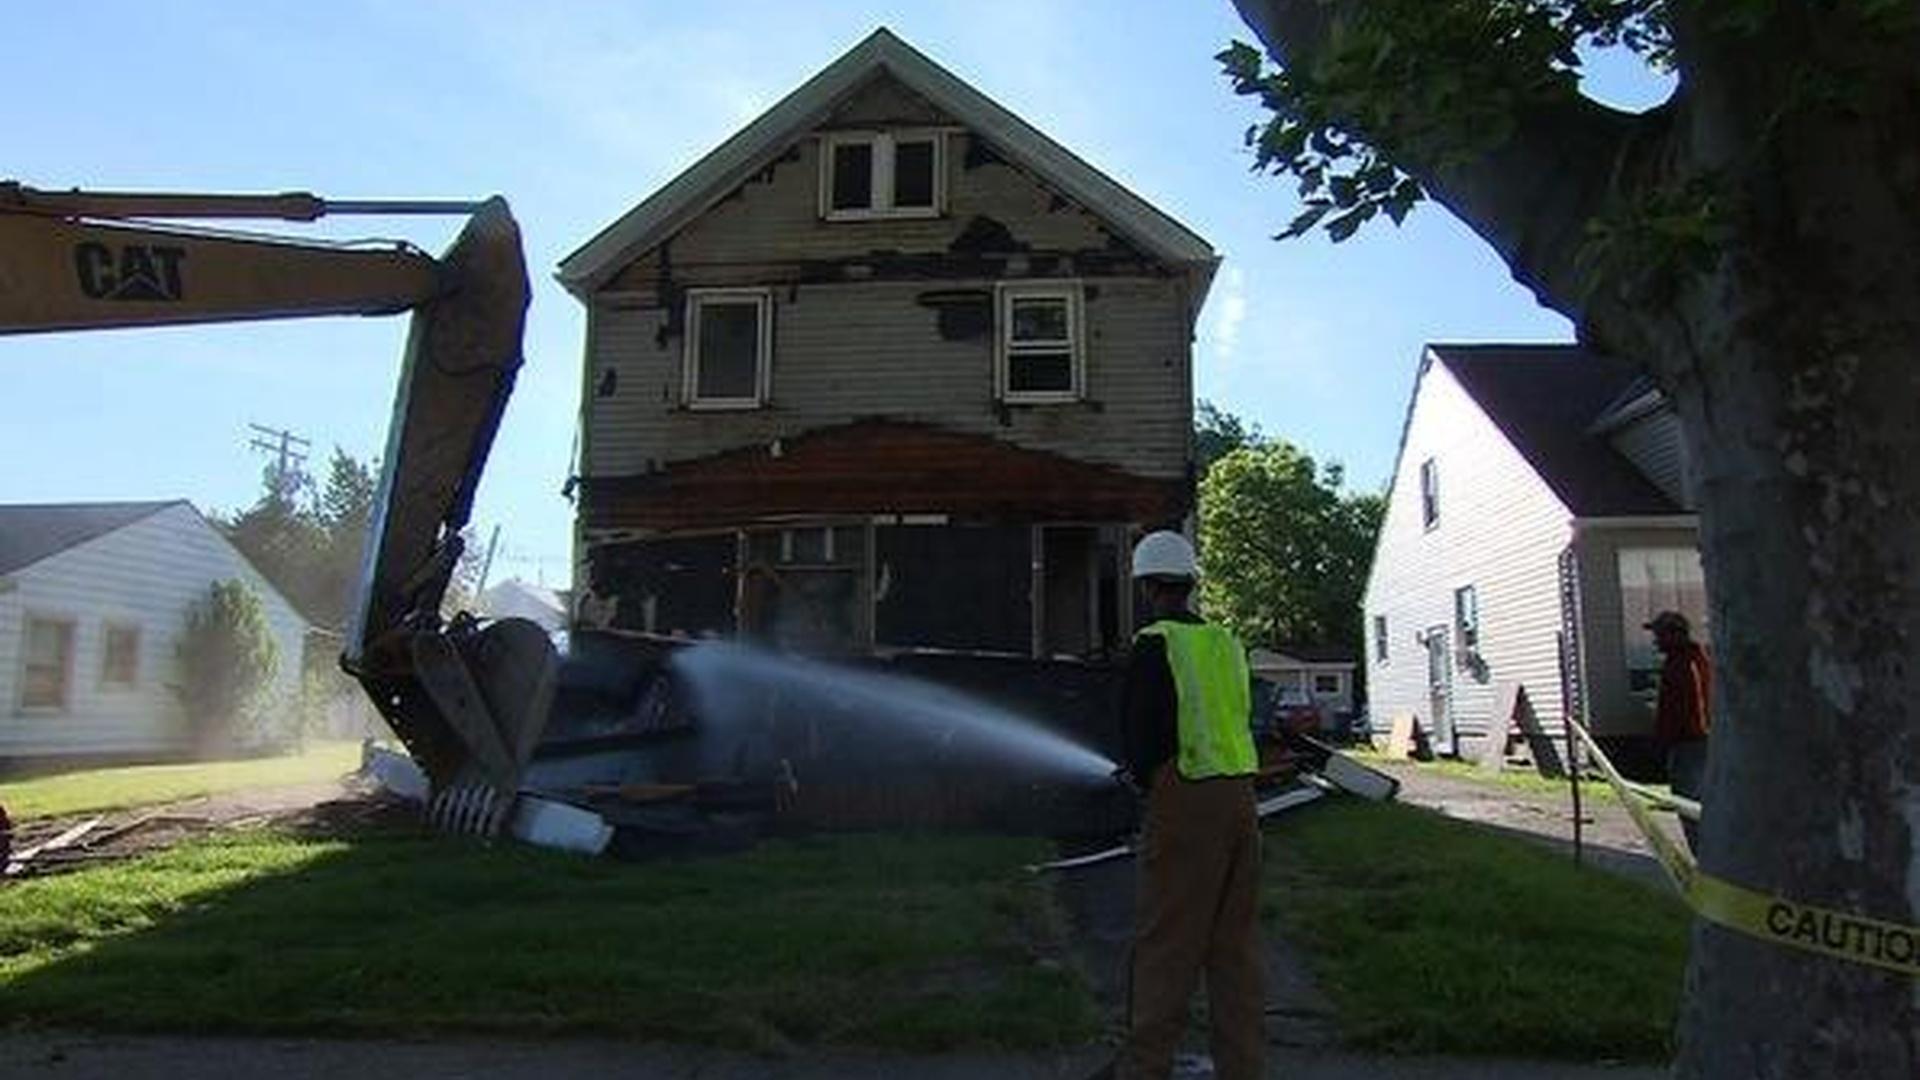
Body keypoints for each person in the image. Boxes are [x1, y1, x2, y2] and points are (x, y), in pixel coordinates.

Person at [1112, 530, 1264, 1080]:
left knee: (1167, 942)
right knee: (1234, 949)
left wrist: (1141, 780)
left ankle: (1143, 1067)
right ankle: (1243, 1069)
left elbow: (1142, 737)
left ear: (1149, 586)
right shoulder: (1226, 643)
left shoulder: (1156, 643)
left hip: (1186, 797)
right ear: (1189, 581)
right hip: (1242, 801)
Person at [1647, 610, 1711, 851]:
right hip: (1688, 743)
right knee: (1689, 802)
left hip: (1691, 744)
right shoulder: (1684, 660)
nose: (1656, 641)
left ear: (1674, 635)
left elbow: (1690, 707)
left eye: (1659, 635)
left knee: (1690, 802)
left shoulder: (1685, 663)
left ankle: (1704, 855)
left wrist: (1664, 740)